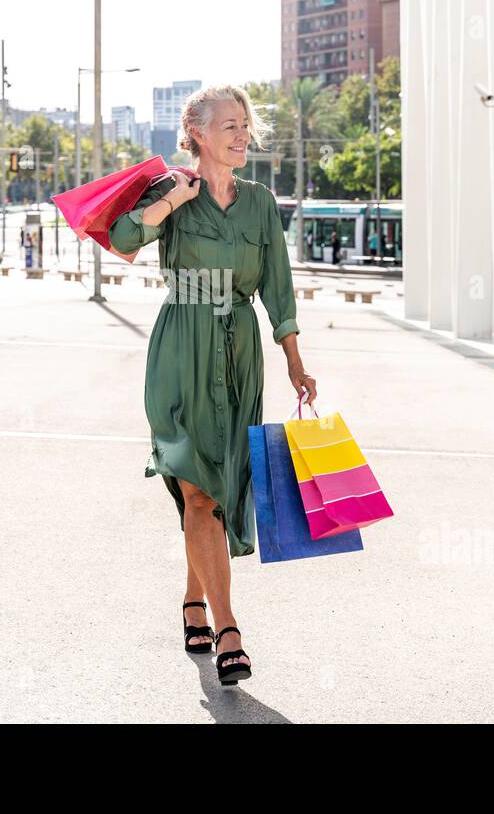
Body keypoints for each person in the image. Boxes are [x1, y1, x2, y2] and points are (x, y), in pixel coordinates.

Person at [108, 84, 317, 687]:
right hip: (181, 347)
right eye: (228, 125)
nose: (241, 134)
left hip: (241, 352)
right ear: (196, 133)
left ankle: (194, 602)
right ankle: (229, 630)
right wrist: (170, 201)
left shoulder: (258, 202)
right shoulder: (172, 191)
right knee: (197, 490)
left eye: (244, 125)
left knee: (221, 491)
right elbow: (123, 243)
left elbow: (278, 287)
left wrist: (294, 362)